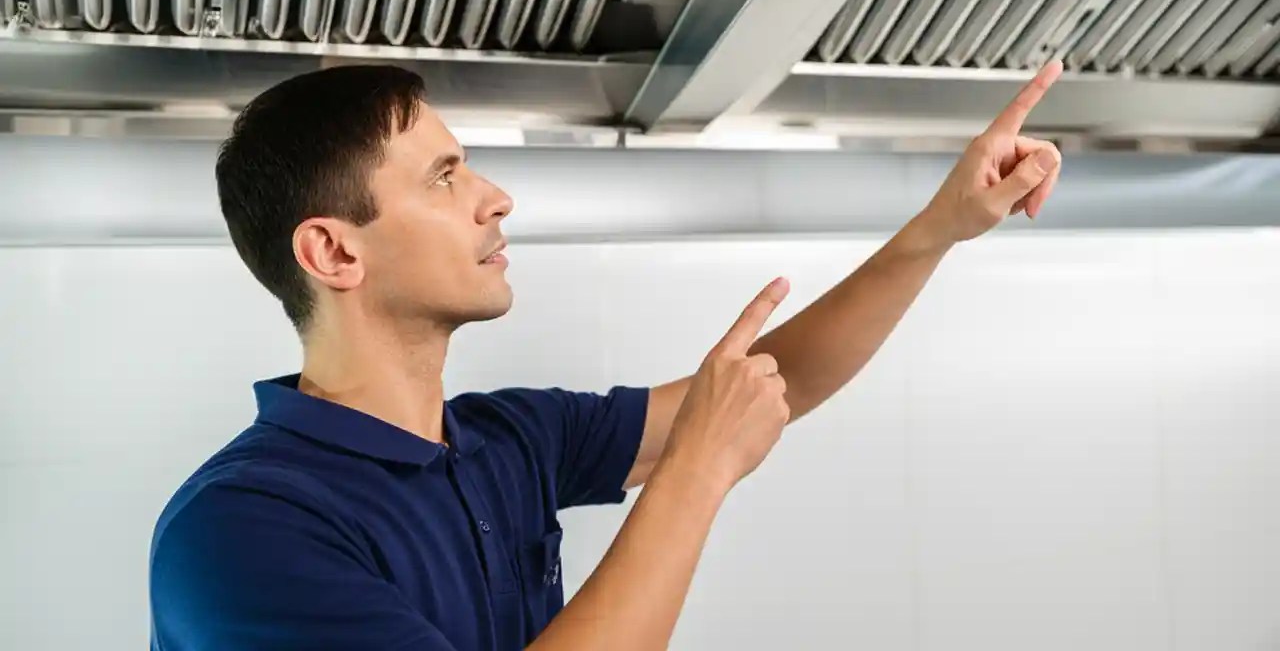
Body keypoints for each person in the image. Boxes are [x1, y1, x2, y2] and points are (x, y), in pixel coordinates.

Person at [148, 60, 1063, 650]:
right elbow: (704, 442)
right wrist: (697, 474)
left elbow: (771, 388)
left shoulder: (507, 438)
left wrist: (938, 231)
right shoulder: (239, 530)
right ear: (334, 252)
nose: (495, 197)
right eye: (445, 177)